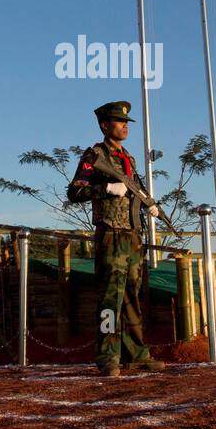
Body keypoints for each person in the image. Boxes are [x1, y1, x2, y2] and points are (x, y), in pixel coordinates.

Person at [67, 101, 165, 377]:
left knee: (133, 295)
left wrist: (149, 203)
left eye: (126, 123)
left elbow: (137, 188)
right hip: (110, 234)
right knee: (111, 297)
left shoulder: (128, 159)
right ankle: (108, 357)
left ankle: (135, 353)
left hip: (132, 233)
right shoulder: (94, 155)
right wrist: (105, 188)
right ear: (104, 126)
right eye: (120, 122)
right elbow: (75, 192)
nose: (125, 126)